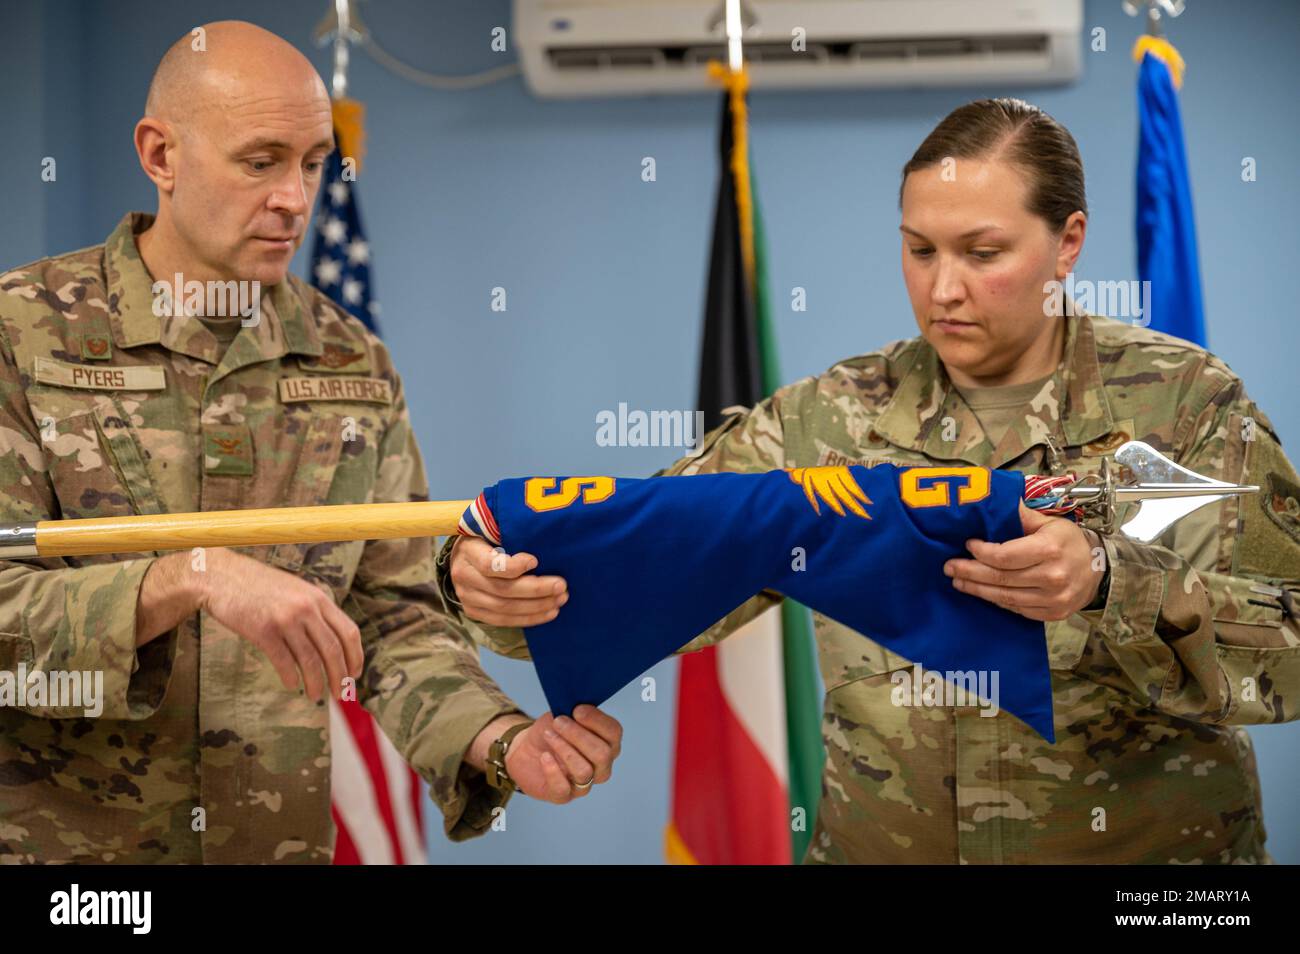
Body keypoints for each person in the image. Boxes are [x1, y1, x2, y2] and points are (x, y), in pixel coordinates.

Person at [443, 98, 1300, 864]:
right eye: (919, 249)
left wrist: (1112, 583)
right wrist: (486, 585)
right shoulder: (828, 421)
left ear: (1068, 242)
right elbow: (643, 562)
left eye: (983, 251)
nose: (944, 288)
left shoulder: (1187, 402)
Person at [0, 21, 622, 865]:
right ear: (161, 155)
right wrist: (192, 577)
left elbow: (392, 611)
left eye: (313, 162)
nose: (296, 198)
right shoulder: (23, 331)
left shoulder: (352, 358)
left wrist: (499, 739)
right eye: (260, 162)